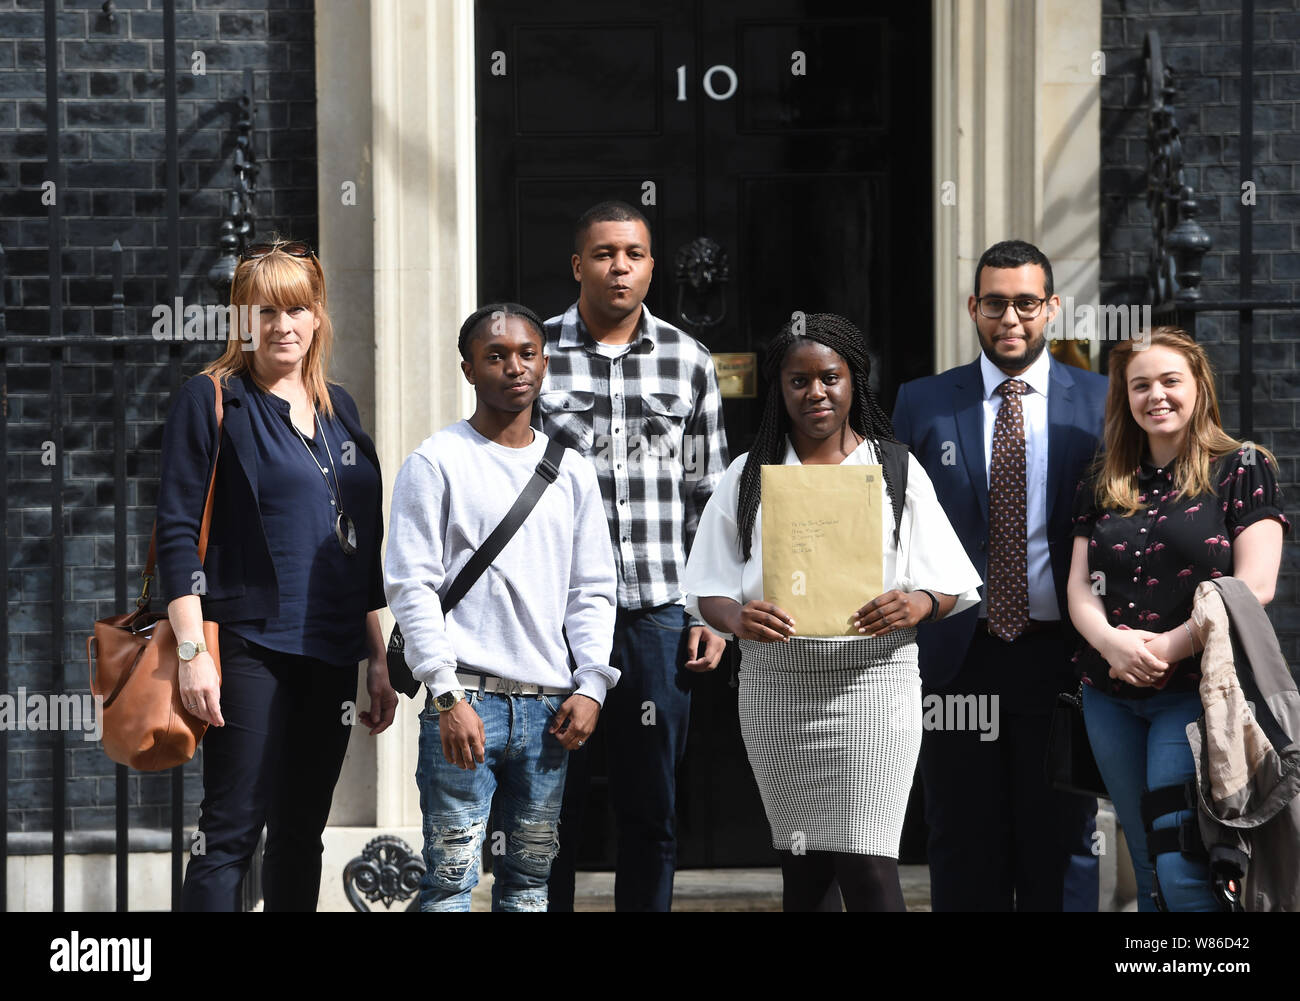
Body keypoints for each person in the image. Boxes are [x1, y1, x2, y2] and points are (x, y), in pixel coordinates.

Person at [682, 313, 981, 911]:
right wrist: (737, 619)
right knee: (805, 872)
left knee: (870, 871)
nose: (815, 392)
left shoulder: (894, 469)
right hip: (777, 692)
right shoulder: (748, 476)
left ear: (854, 382)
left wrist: (918, 603)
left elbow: (950, 582)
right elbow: (707, 587)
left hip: (875, 689)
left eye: (829, 378)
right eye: (798, 381)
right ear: (780, 389)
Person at [157, 239, 397, 911]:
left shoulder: (340, 409)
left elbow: (360, 548)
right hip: (247, 644)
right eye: (265, 312)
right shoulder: (212, 401)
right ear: (242, 321)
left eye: (296, 310)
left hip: (329, 650)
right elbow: (177, 533)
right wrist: (192, 652)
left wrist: (377, 657)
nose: (282, 326)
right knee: (230, 832)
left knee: (301, 833)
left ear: (317, 317)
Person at [891, 239, 1106, 911]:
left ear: (1052, 307)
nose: (1009, 317)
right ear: (972, 307)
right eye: (994, 302)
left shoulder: (1102, 402)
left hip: (1064, 657)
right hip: (959, 654)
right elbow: (890, 524)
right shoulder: (922, 403)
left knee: (1064, 840)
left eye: (1025, 302)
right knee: (961, 840)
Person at [384, 303, 618, 911]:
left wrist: (592, 684)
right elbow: (411, 587)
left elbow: (591, 587)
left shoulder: (570, 471)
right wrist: (445, 694)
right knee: (450, 882)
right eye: (495, 355)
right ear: (468, 369)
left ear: (544, 363)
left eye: (527, 354)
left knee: (530, 886)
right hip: (465, 704)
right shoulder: (436, 462)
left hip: (548, 708)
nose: (515, 367)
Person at [539, 200, 729, 912]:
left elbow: (710, 496)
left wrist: (710, 606)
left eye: (634, 253)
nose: (619, 266)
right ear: (578, 264)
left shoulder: (689, 361)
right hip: (553, 620)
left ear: (651, 265)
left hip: (656, 615)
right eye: (604, 252)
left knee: (651, 806)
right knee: (546, 806)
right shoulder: (536, 353)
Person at [1067, 326, 1287, 911]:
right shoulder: (1103, 479)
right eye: (1140, 385)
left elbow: (1255, 587)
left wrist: (1164, 648)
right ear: (1125, 398)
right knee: (1145, 858)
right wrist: (1113, 646)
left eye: (1170, 381)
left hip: (1193, 691)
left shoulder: (1241, 466)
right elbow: (1080, 589)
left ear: (1199, 388)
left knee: (1184, 858)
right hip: (1107, 694)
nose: (1155, 395)